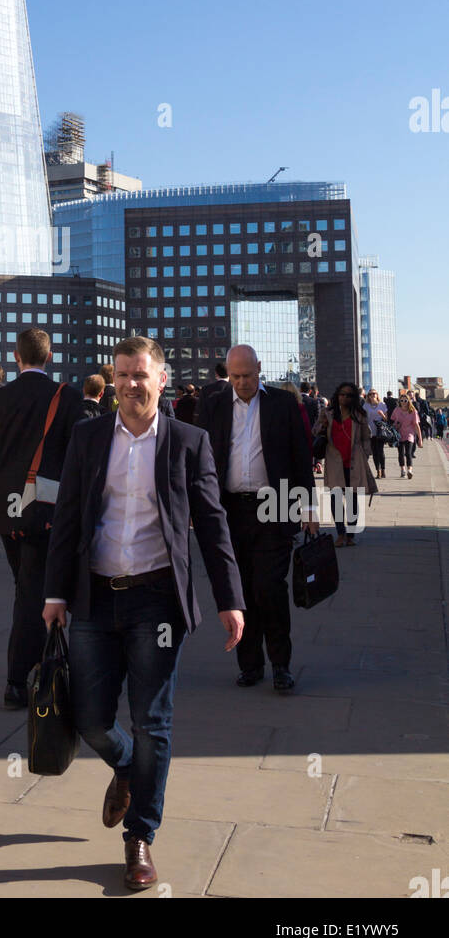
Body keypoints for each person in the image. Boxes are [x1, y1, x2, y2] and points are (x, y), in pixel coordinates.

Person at [43, 336, 245, 891]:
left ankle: (140, 837)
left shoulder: (188, 441)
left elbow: (212, 522)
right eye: (123, 375)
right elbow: (66, 520)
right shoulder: (87, 438)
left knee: (153, 721)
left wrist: (230, 599)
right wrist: (54, 593)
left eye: (142, 375)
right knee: (89, 719)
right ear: (112, 380)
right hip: (92, 595)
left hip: (156, 600)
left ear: (162, 379)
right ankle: (128, 767)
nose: (132, 384)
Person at [0, 327, 87, 709]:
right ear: (50, 357)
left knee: (26, 586)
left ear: (16, 357)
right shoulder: (67, 397)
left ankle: (31, 667)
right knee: (34, 590)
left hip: (6, 509)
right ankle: (19, 679)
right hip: (49, 508)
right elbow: (80, 457)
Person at [197, 344, 316, 692]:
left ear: (259, 369)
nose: (241, 382)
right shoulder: (214, 403)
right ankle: (250, 665)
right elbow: (201, 458)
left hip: (275, 505)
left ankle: (281, 664)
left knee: (269, 587)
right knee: (240, 590)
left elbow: (300, 457)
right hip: (230, 509)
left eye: (247, 375)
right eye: (234, 376)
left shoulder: (282, 404)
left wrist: (308, 507)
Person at [316, 383, 378, 547]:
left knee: (352, 500)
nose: (344, 398)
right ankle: (340, 533)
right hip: (334, 460)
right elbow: (315, 432)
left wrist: (366, 454)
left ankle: (350, 535)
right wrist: (321, 425)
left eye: (349, 395)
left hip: (354, 460)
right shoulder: (328, 413)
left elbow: (366, 436)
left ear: (354, 398)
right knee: (336, 499)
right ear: (337, 395)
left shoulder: (359, 414)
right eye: (342, 394)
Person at [391, 394, 421, 478]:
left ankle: (410, 470)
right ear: (399, 402)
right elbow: (392, 421)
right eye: (402, 400)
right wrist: (395, 425)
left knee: (408, 453)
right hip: (399, 434)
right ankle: (402, 470)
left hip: (409, 434)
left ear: (408, 401)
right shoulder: (396, 410)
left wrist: (420, 439)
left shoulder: (413, 411)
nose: (403, 402)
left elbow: (416, 425)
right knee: (400, 453)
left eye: (405, 400)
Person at [363, 389, 388, 479]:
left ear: (377, 395)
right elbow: (363, 418)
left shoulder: (382, 405)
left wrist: (382, 415)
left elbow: (386, 420)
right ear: (368, 396)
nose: (372, 395)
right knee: (374, 452)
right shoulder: (366, 405)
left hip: (380, 431)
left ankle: (383, 469)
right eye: (370, 394)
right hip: (370, 431)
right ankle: (378, 471)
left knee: (380, 451)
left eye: (374, 393)